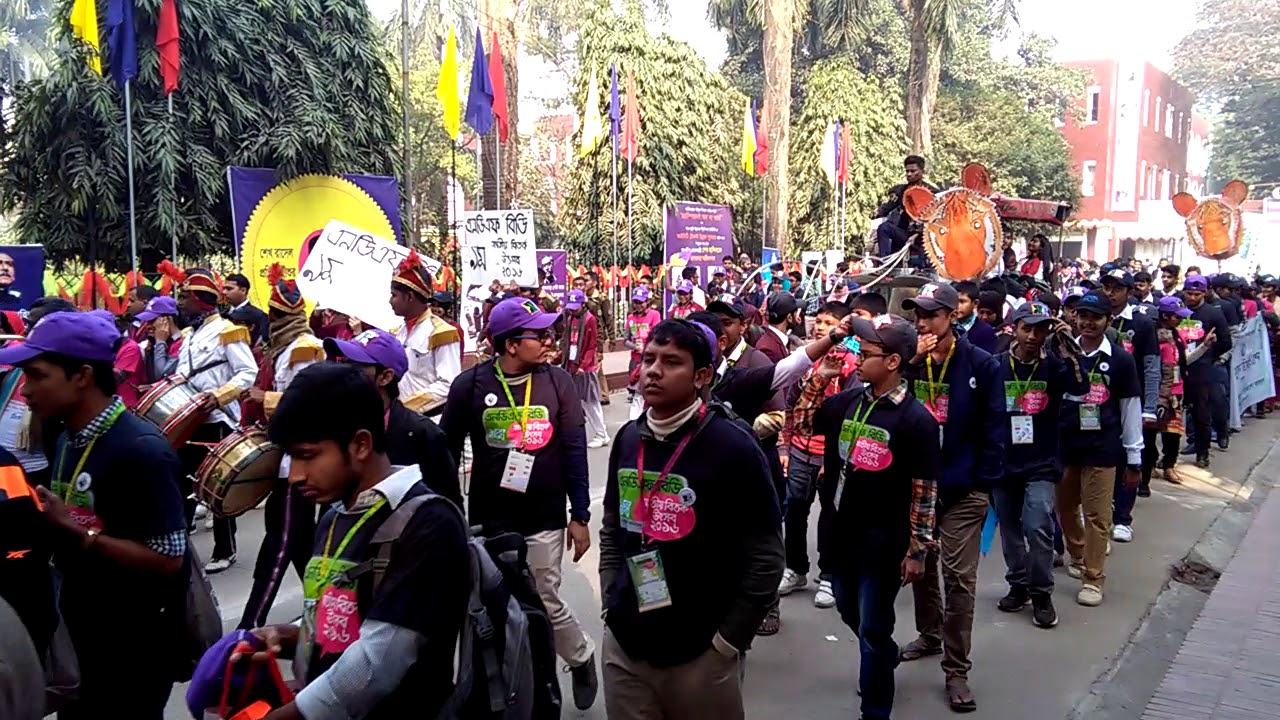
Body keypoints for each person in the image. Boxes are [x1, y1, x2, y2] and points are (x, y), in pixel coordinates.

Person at [241, 363, 469, 719]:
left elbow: (378, 660)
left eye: (308, 455)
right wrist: (283, 635)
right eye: (290, 458)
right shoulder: (336, 516)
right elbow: (342, 612)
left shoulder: (428, 523)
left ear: (361, 444)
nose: (296, 476)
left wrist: (286, 716)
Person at [0, 311, 187, 718]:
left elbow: (170, 561)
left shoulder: (141, 449)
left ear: (82, 376)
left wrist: (78, 533)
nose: (25, 390)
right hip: (84, 636)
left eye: (36, 375)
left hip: (131, 649)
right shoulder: (68, 435)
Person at [598, 318, 783, 719]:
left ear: (701, 376)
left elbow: (766, 556)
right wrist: (610, 604)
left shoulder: (733, 444)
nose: (653, 371)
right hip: (626, 645)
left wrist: (727, 643)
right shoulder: (628, 438)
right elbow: (613, 530)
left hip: (702, 652)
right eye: (648, 359)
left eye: (671, 362)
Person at [440, 296, 599, 710]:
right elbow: (447, 454)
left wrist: (579, 515)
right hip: (489, 520)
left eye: (550, 332)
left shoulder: (558, 382)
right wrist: (449, 513)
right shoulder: (470, 387)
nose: (550, 340)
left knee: (544, 600)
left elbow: (574, 450)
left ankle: (579, 657)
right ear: (510, 344)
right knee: (494, 608)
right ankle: (512, 686)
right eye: (540, 335)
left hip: (544, 516)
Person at [812, 313, 938, 720]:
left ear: (893, 362)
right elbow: (799, 420)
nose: (857, 359)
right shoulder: (847, 402)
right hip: (840, 535)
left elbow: (924, 490)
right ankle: (885, 654)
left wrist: (917, 550)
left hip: (884, 544)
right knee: (850, 611)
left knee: (872, 627)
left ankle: (875, 708)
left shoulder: (917, 420)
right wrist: (820, 378)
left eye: (867, 354)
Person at [897, 282, 1004, 713]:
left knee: (960, 579)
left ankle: (956, 669)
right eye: (917, 315)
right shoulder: (909, 363)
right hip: (917, 489)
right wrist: (909, 365)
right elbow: (884, 400)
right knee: (920, 567)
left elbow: (995, 426)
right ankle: (930, 632)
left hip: (963, 490)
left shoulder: (982, 364)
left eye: (932, 314)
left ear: (952, 317)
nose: (922, 322)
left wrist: (983, 483)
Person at [236, 265, 327, 629]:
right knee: (300, 547)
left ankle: (248, 628)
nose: (268, 321)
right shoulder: (284, 347)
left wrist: (266, 397)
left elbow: (307, 400)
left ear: (282, 316)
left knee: (279, 544)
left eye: (273, 315)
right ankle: (326, 615)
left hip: (301, 463)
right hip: (287, 457)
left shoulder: (305, 347)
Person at [992, 302, 1087, 629]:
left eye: (1041, 329)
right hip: (1003, 463)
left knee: (1038, 525)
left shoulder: (1055, 367)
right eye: (1027, 328)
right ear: (1014, 328)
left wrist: (1067, 343)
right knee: (1010, 530)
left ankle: (1042, 592)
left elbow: (1081, 386)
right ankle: (1018, 584)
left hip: (1042, 463)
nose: (1034, 336)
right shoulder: (997, 366)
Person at [1057, 291, 1142, 608]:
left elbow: (1130, 407)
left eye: (1096, 317)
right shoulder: (1063, 353)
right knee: (1064, 508)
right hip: (1066, 444)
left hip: (1104, 446)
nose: (1088, 322)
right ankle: (1078, 553)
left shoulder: (1120, 359)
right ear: (1075, 318)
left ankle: (1093, 578)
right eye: (1083, 316)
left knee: (1098, 515)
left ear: (1108, 321)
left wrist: (1134, 455)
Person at [176, 267, 259, 572]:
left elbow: (247, 372)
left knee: (218, 488)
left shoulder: (228, 330)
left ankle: (225, 550)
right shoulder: (187, 335)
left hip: (219, 420)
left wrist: (220, 396)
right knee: (180, 481)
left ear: (201, 299)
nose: (181, 303)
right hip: (189, 420)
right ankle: (177, 547)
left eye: (185, 297)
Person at [322, 328, 460, 505]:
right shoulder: (333, 427)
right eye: (343, 363)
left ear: (385, 377)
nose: (343, 373)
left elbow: (446, 507)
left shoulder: (423, 435)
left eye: (355, 366)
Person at [777, 301, 856, 610]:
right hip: (799, 451)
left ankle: (828, 576)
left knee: (831, 516)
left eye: (829, 322)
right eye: (819, 321)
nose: (821, 327)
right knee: (794, 510)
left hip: (831, 457)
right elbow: (790, 406)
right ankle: (795, 568)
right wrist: (784, 447)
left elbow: (851, 416)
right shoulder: (804, 362)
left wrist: (835, 458)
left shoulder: (851, 365)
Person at [1097, 268, 1159, 544]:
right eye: (1107, 287)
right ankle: (1103, 509)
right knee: (1105, 457)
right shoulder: (1094, 316)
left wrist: (1150, 406)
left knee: (1131, 457)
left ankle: (1123, 517)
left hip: (1132, 399)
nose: (1110, 293)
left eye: (1117, 288)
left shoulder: (1142, 323)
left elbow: (1151, 366)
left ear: (1129, 291)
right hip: (1101, 399)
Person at [390, 249, 461, 414]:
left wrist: (409, 405)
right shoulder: (396, 332)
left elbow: (448, 384)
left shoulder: (442, 332)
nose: (390, 301)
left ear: (409, 297)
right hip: (400, 418)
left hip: (429, 420)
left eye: (394, 295)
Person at [1178, 274, 1231, 468]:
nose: (1191, 298)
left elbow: (1226, 342)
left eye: (1196, 294)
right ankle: (1169, 456)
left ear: (1204, 293)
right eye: (1189, 293)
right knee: (1173, 414)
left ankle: (1203, 452)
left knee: (1201, 414)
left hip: (1202, 370)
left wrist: (1208, 354)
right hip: (1177, 369)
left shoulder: (1213, 314)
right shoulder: (1176, 310)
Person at [562, 289, 610, 448]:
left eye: (576, 307)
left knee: (591, 402)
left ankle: (601, 434)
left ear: (583, 304)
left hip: (585, 368)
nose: (573, 310)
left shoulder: (590, 319)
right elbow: (567, 342)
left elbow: (591, 346)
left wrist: (583, 365)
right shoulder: (570, 319)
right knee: (580, 403)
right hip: (572, 365)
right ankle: (598, 433)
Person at [873, 155, 940, 259]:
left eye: (913, 171)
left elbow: (935, 218)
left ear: (922, 171)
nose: (909, 174)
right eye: (907, 171)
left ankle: (925, 269)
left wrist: (917, 233)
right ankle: (884, 262)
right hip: (905, 233)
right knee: (884, 228)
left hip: (924, 236)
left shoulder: (933, 193)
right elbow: (888, 206)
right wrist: (877, 212)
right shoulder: (901, 191)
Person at [133, 295, 182, 382]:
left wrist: (160, 342)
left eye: (152, 321)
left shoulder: (181, 343)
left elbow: (161, 375)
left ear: (168, 319)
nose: (147, 326)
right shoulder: (151, 343)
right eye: (146, 322)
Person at [224, 272, 269, 346]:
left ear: (243, 290)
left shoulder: (258, 316)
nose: (224, 292)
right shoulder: (222, 314)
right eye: (224, 288)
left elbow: (263, 343)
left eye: (229, 289)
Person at [756, 291, 802, 364]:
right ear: (789, 317)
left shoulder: (776, 340)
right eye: (795, 313)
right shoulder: (768, 350)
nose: (797, 316)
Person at [952, 281, 996, 353]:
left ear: (975, 303)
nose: (957, 306)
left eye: (962, 301)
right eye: (955, 301)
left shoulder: (985, 331)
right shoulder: (947, 325)